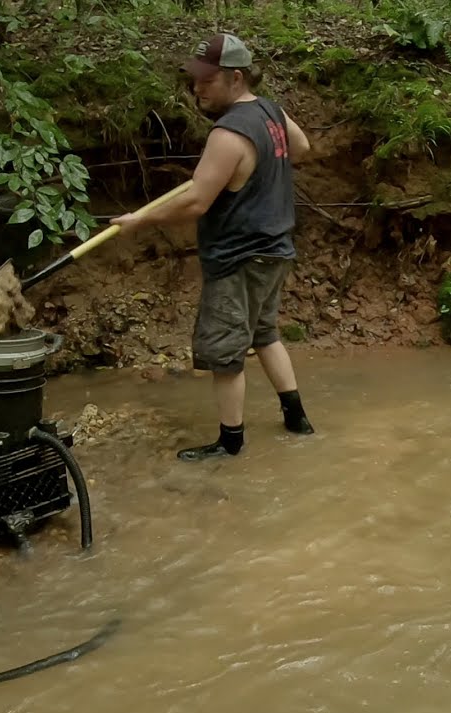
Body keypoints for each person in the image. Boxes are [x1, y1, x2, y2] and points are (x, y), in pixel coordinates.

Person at [111, 32, 315, 462]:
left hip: (239, 257)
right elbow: (300, 148)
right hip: (275, 250)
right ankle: (297, 419)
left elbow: (196, 201)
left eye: (207, 81)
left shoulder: (228, 134)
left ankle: (230, 442)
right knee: (265, 334)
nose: (197, 89)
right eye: (196, 80)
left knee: (225, 354)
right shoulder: (272, 111)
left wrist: (140, 219)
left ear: (235, 78)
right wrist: (253, 170)